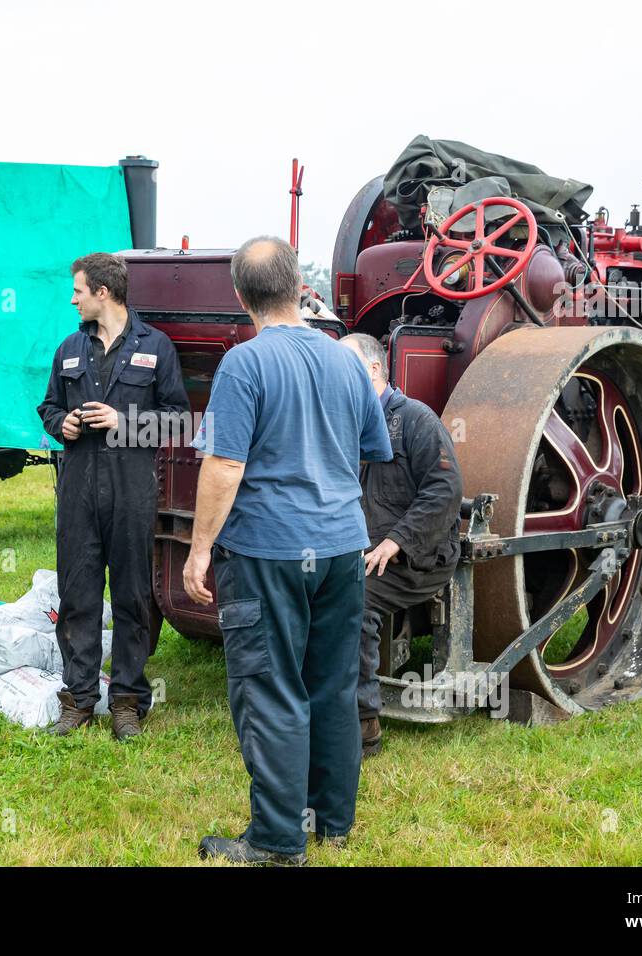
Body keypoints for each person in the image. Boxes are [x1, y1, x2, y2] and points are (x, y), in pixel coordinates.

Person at [182, 236, 392, 865]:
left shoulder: (244, 364)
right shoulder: (347, 362)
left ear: (240, 296)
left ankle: (276, 841)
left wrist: (198, 551)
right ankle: (333, 821)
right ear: (300, 286)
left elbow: (222, 465)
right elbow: (369, 450)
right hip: (341, 546)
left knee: (271, 689)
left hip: (268, 550)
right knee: (331, 685)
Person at [37, 253, 189, 740]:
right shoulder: (68, 349)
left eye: (78, 290)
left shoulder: (156, 347)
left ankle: (127, 702)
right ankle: (78, 700)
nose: (72, 298)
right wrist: (61, 423)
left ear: (103, 292)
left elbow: (179, 420)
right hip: (79, 492)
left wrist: (125, 424)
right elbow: (48, 407)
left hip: (132, 493)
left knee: (131, 598)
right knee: (77, 596)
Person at [339, 333, 463, 757]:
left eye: (346, 364)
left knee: (350, 603)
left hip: (418, 557)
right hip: (361, 551)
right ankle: (324, 709)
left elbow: (445, 489)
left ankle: (363, 724)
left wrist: (395, 542)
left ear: (373, 369)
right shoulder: (345, 422)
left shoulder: (415, 419)